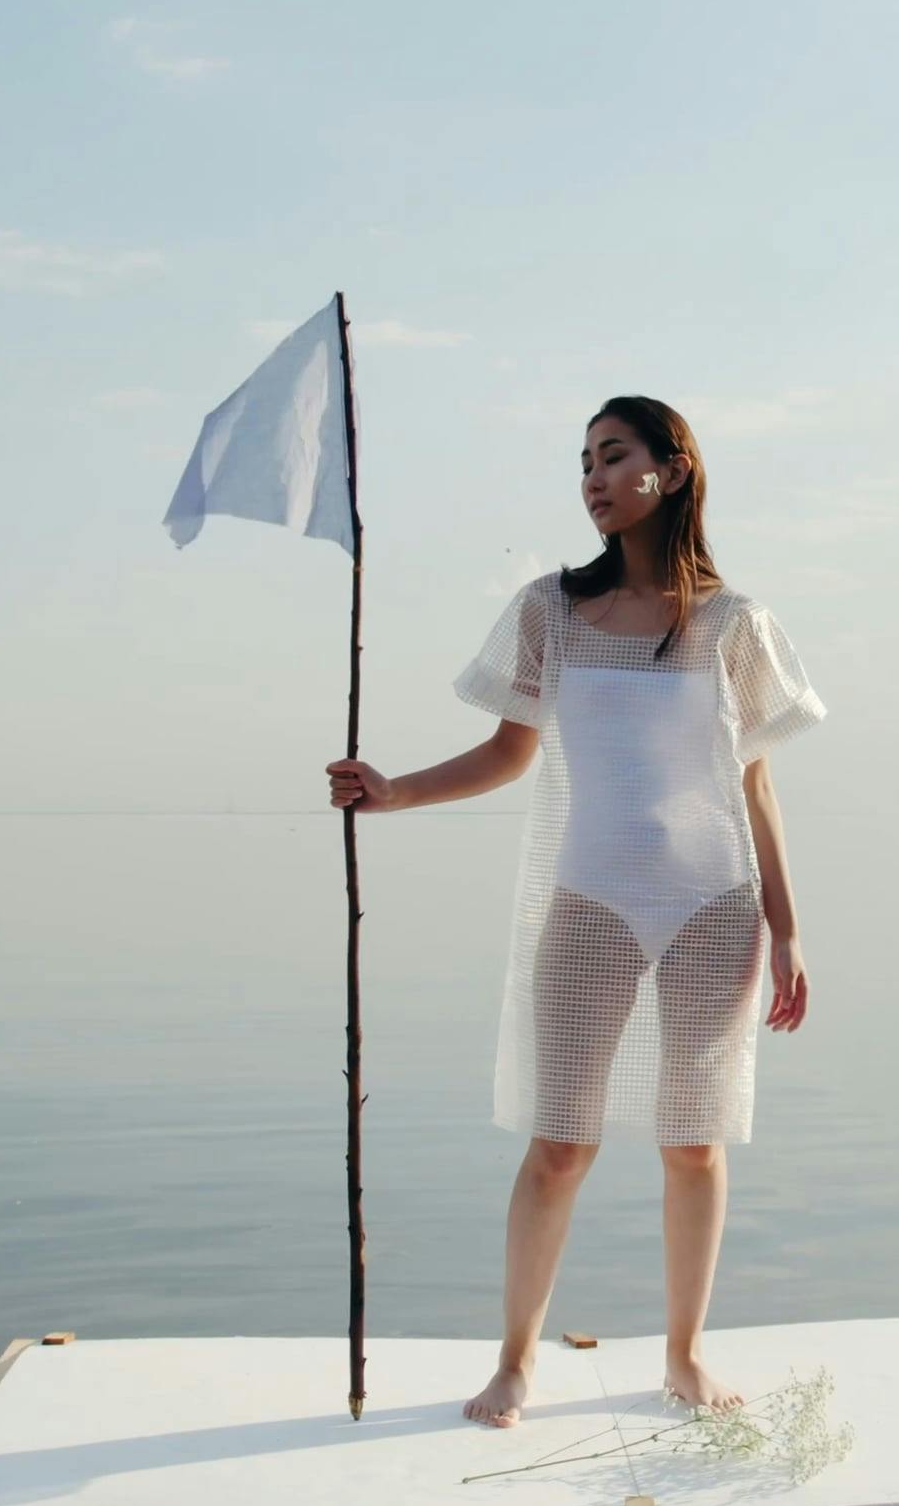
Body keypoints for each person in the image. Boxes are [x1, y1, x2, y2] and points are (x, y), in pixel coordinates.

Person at [324, 395, 825, 1426]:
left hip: (714, 905)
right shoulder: (548, 610)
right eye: (583, 462)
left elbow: (757, 786)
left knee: (694, 1143)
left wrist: (789, 929)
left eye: (614, 457)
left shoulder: (735, 624)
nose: (593, 478)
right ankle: (515, 1362)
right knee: (562, 1141)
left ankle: (684, 1356)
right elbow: (511, 754)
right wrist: (393, 791)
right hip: (589, 899)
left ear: (674, 471)